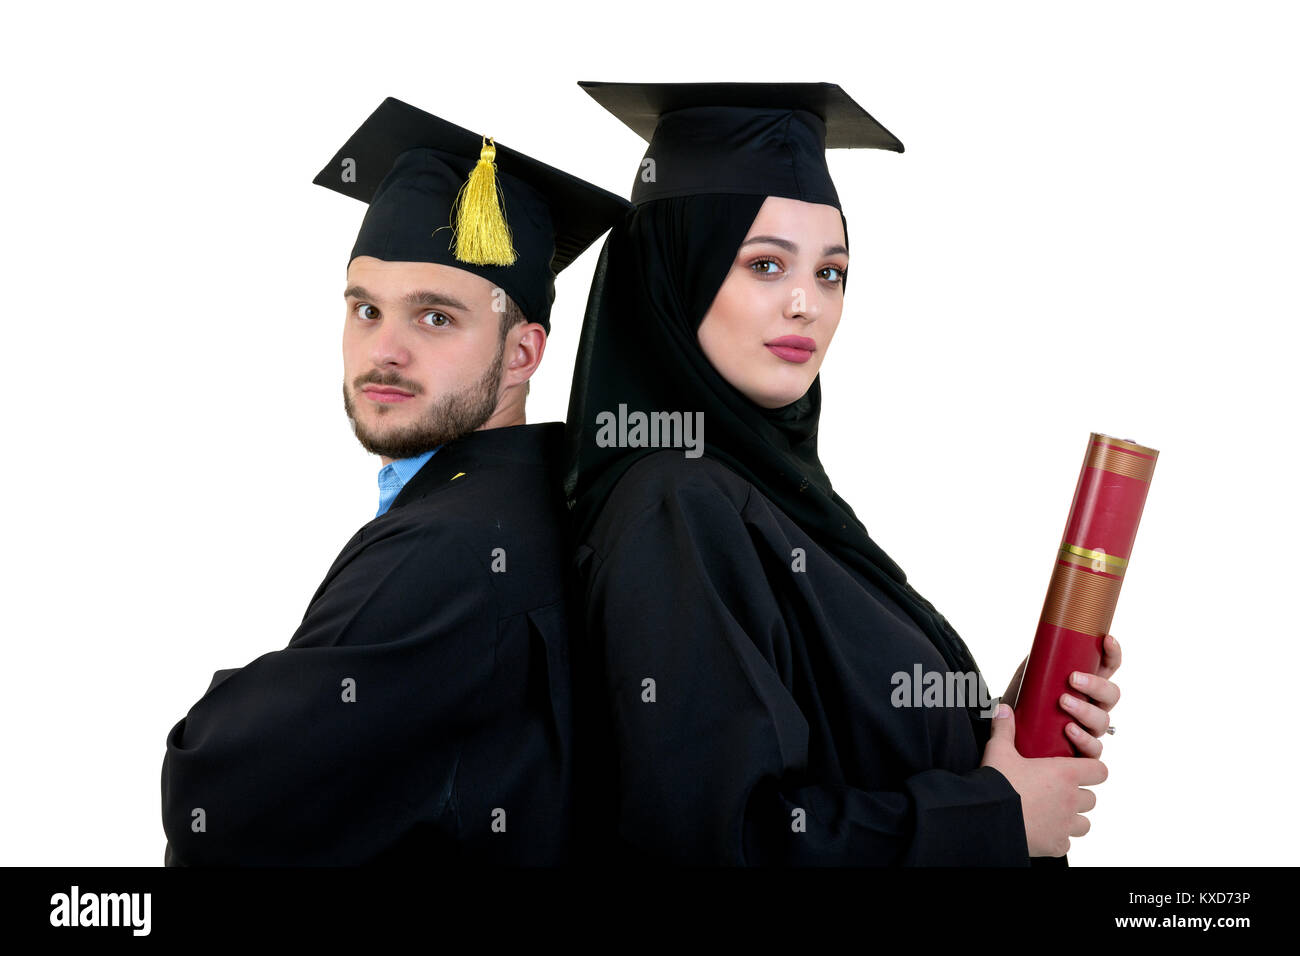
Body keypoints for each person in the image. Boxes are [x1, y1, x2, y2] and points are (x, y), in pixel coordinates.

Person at [564, 82, 1122, 865]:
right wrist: (990, 816)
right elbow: (712, 844)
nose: (806, 305)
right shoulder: (674, 506)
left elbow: (833, 739)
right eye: (765, 264)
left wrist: (1002, 725)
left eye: (831, 272)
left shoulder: (776, 496)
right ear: (672, 274)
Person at [160, 97, 630, 865]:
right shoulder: (545, 499)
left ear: (522, 353)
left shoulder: (450, 548)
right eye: (366, 310)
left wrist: (233, 698)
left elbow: (219, 793)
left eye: (435, 318)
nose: (385, 351)